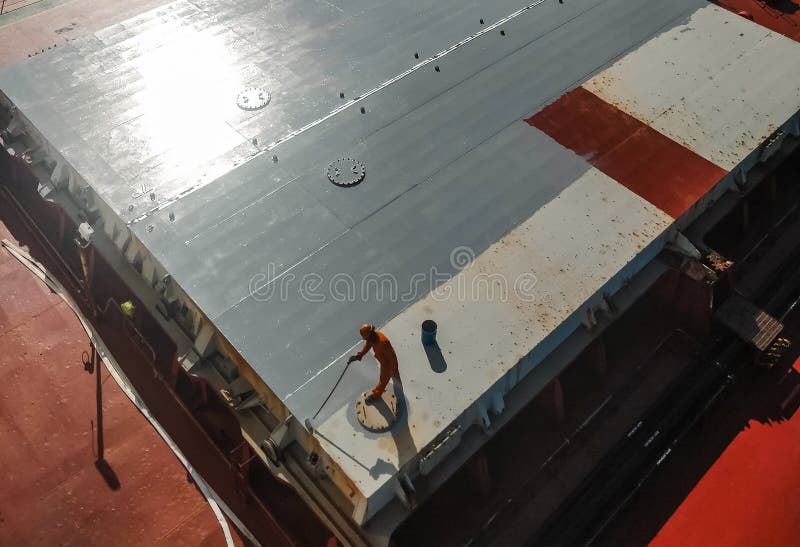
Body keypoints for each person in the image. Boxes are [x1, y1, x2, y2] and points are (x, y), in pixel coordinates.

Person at [348, 324, 400, 402]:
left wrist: (389, 370)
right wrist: (358, 356)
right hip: (385, 360)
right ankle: (395, 374)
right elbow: (368, 346)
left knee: (383, 380)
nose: (366, 340)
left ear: (370, 334)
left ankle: (376, 394)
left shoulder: (383, 342)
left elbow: (391, 359)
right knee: (394, 373)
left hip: (387, 363)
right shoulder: (372, 338)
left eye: (366, 338)